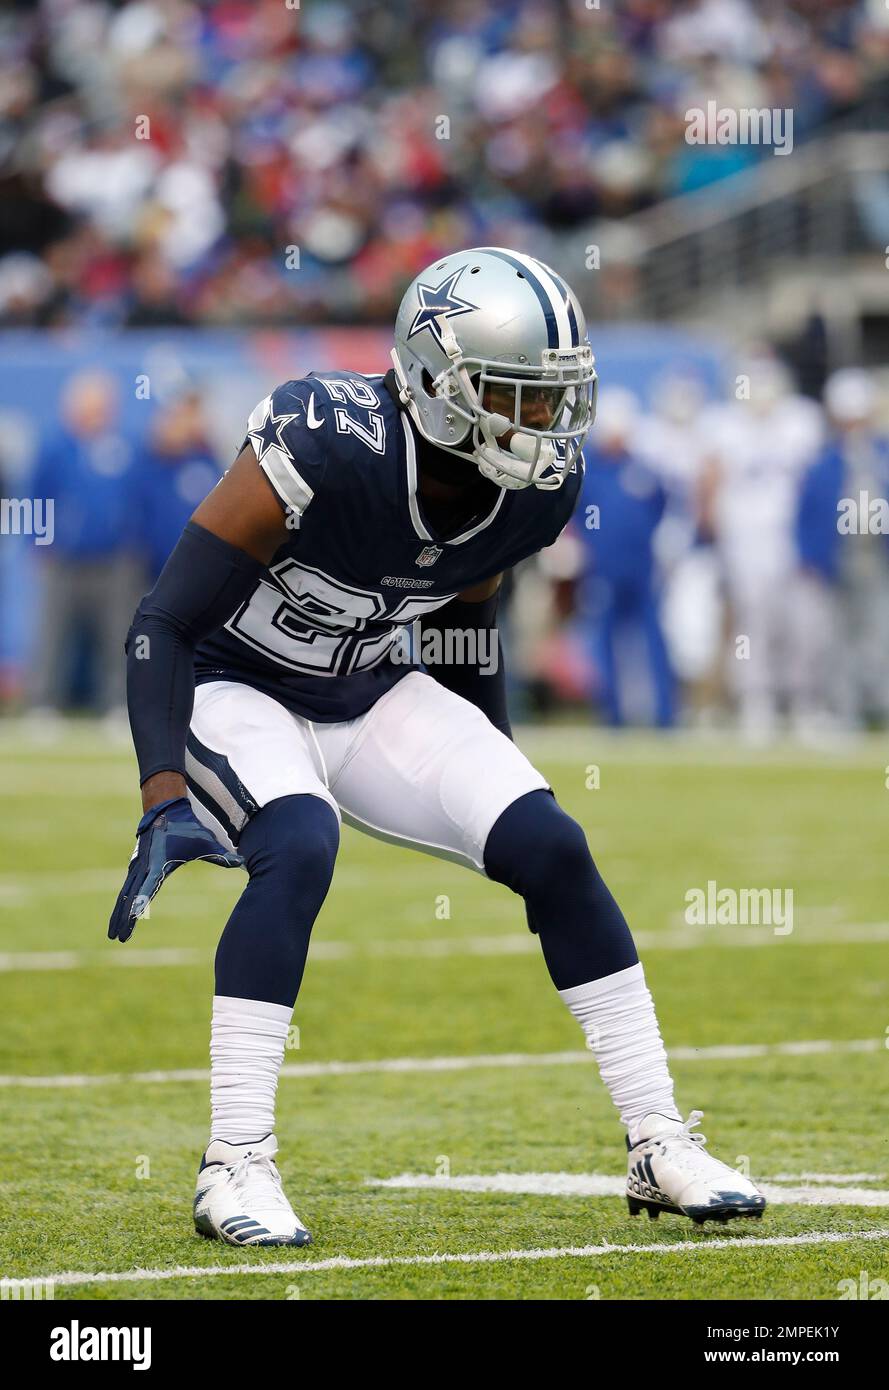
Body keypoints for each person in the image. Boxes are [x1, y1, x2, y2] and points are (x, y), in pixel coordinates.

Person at [109, 247, 765, 1246]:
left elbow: (466, 617)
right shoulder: (328, 443)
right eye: (515, 396)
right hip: (231, 682)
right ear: (434, 378)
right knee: (300, 843)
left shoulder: (536, 488)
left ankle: (657, 1142)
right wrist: (163, 796)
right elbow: (162, 620)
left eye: (554, 399)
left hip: (366, 692)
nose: (542, 425)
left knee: (553, 847)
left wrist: (496, 780)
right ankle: (234, 1163)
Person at [29, 369, 140, 716]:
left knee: (116, 636)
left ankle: (118, 703)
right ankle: (44, 703)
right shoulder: (55, 447)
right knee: (53, 635)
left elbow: (136, 500)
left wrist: (131, 541)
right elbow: (35, 498)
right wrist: (41, 543)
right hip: (64, 558)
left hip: (112, 560)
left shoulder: (124, 447)